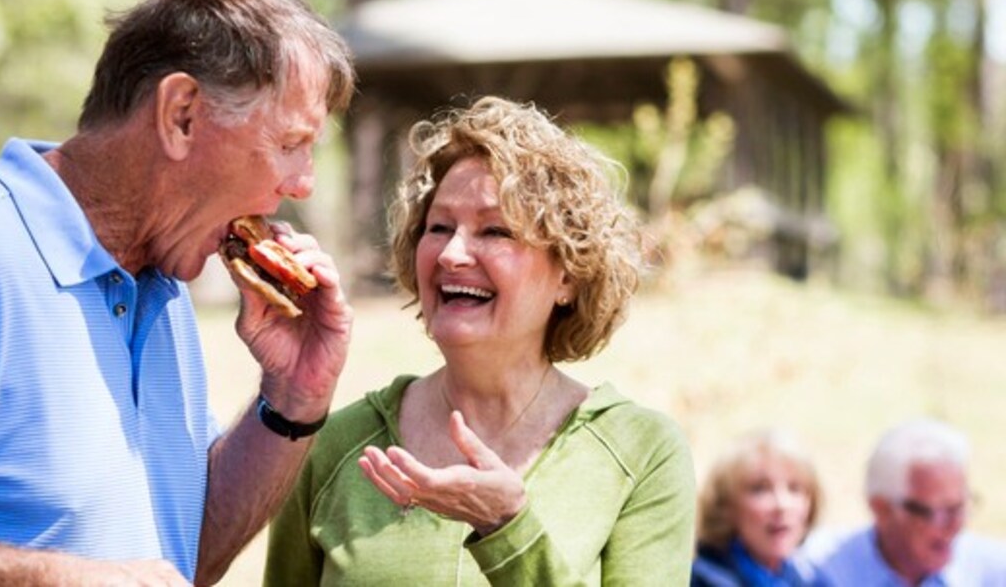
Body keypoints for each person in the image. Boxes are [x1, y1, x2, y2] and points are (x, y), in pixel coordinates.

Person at [0, 0, 356, 584]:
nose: (304, 184)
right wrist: (42, 579)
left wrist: (292, 397)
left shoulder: (163, 287)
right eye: (289, 143)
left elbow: (179, 558)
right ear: (182, 114)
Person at [264, 96, 696, 586]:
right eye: (439, 227)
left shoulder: (640, 452)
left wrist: (508, 529)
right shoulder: (334, 446)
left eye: (495, 231)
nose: (451, 253)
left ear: (569, 276)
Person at [810, 418, 1006, 586]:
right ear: (882, 509)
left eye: (959, 507)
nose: (955, 525)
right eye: (937, 513)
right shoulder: (822, 574)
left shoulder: (995, 574)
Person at [691, 429, 824, 586]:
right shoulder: (702, 580)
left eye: (794, 488)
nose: (782, 505)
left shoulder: (812, 579)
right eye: (760, 489)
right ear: (725, 505)